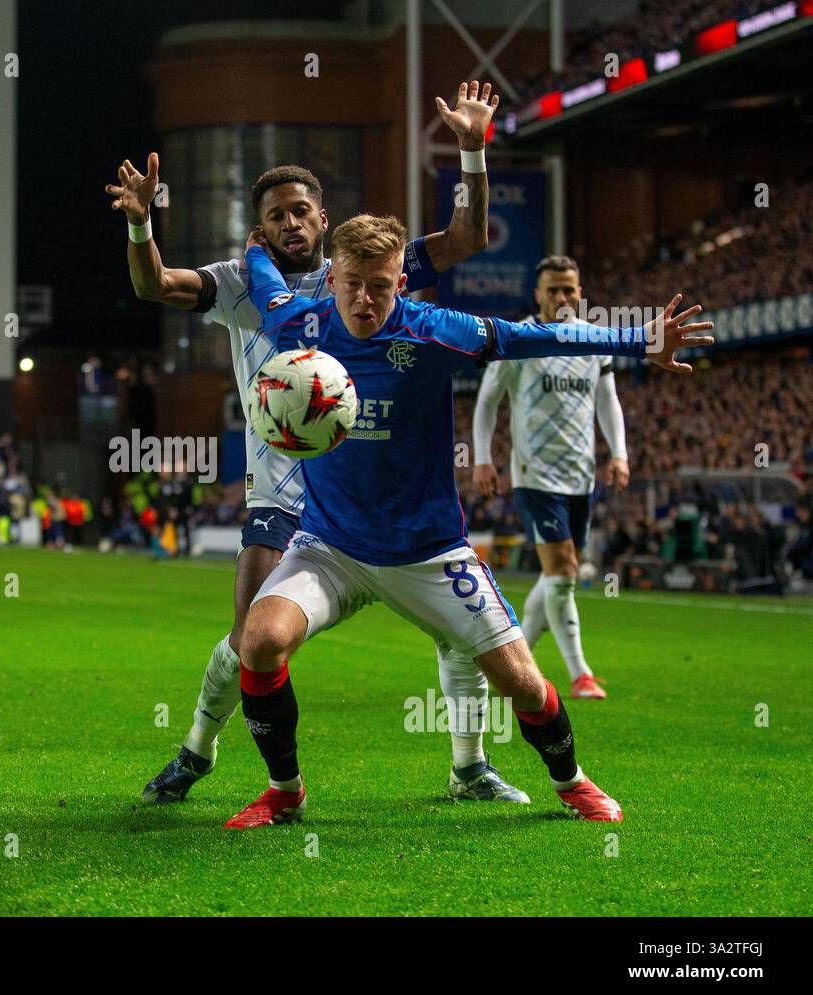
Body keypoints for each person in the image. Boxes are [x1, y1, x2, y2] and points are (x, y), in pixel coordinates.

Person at [109, 81, 527, 803]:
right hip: (286, 499)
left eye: (302, 210)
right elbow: (155, 288)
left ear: (323, 218)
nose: (291, 223)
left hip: (379, 489)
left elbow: (465, 239)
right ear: (260, 230)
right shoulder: (242, 283)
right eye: (277, 216)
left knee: (460, 632)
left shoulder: (363, 274)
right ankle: (196, 751)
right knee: (249, 642)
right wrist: (142, 226)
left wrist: (472, 151)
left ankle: (470, 766)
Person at [225, 213, 713, 827]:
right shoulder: (300, 321)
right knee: (261, 640)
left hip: (429, 551)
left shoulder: (432, 331)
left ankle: (572, 781)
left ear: (402, 279)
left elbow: (525, 338)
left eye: (380, 284)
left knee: (527, 686)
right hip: (329, 546)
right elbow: (267, 286)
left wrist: (638, 341)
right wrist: (255, 251)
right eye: (351, 283)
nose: (364, 299)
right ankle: (284, 790)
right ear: (333, 277)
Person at [472, 255, 628, 699]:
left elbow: (607, 401)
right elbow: (487, 402)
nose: (562, 297)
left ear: (580, 292)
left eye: (569, 289)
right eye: (553, 290)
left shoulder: (595, 341)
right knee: (562, 572)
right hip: (534, 474)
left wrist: (618, 453)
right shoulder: (519, 339)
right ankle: (580, 673)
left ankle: (512, 662)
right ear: (538, 295)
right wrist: (482, 458)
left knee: (560, 575)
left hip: (581, 477)